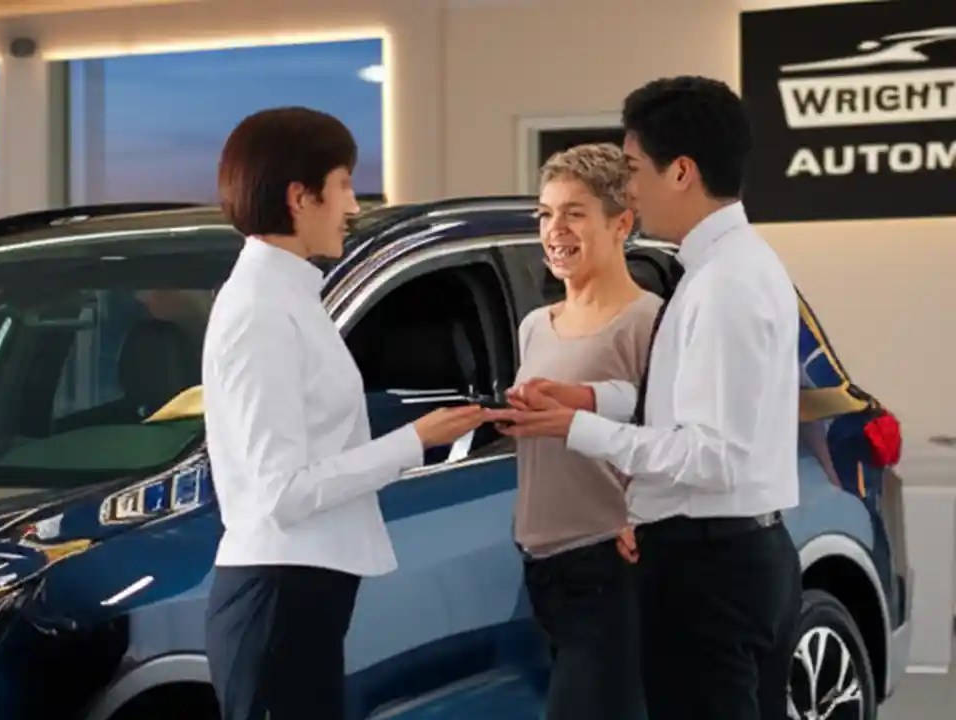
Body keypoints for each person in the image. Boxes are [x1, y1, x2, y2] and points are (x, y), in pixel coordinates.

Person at [489, 76, 803, 720]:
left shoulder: (722, 286)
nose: (627, 187)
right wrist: (589, 399)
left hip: (711, 570)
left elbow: (713, 455)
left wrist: (576, 428)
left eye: (633, 169)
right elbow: (679, 406)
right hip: (717, 556)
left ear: (681, 171)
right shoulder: (725, 270)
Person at [201, 106, 485, 720]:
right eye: (344, 185)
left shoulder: (288, 296)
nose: (354, 207)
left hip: (298, 591)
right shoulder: (260, 310)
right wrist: (415, 440)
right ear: (300, 197)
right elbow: (284, 491)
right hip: (279, 593)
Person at [500, 142, 660, 720]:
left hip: (611, 566)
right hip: (541, 567)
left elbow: (673, 433)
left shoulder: (650, 321)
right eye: (545, 213)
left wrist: (647, 517)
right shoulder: (534, 326)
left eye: (573, 212)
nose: (554, 229)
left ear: (622, 223)